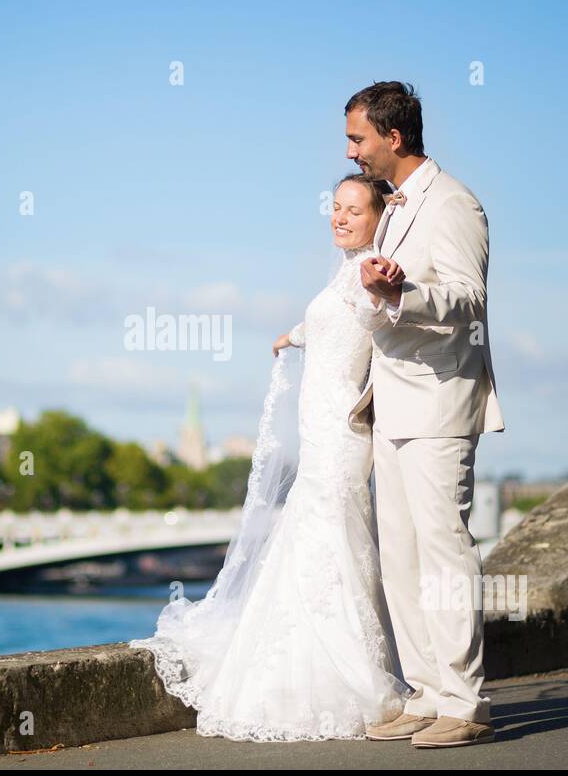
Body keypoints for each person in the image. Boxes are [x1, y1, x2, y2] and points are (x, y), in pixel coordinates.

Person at [129, 174, 412, 741]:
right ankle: (323, 669)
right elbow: (336, 321)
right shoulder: (346, 270)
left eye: (353, 210)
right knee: (317, 539)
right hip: (321, 428)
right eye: (335, 208)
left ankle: (345, 676)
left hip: (340, 430)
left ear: (380, 215)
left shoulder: (373, 270)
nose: (340, 217)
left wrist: (384, 291)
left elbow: (382, 319)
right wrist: (294, 334)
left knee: (330, 536)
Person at [346, 80, 505, 748]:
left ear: (393, 137)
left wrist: (401, 291)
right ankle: (427, 692)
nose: (351, 152)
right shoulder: (392, 207)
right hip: (393, 405)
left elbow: (469, 298)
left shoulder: (454, 202)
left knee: (444, 555)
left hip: (440, 402)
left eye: (357, 139)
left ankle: (466, 704)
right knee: (402, 560)